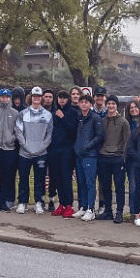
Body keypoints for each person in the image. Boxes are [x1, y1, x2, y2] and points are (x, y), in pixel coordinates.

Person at [14, 87, 53, 214]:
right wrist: (26, 146)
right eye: (34, 96)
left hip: (41, 153)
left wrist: (41, 147)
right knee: (23, 179)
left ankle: (38, 203)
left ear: (41, 98)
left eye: (38, 96)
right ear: (31, 97)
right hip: (24, 153)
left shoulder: (48, 115)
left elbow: (49, 135)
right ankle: (22, 202)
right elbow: (18, 132)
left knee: (39, 180)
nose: (36, 98)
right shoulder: (22, 114)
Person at [72, 93, 104, 221]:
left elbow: (99, 136)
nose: (84, 104)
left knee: (90, 183)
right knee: (81, 182)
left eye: (86, 102)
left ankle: (91, 209)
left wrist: (88, 146)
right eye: (82, 102)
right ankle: (83, 207)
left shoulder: (95, 118)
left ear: (91, 104)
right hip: (79, 155)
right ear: (79, 104)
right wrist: (76, 147)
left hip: (90, 155)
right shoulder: (78, 117)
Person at [47, 90, 78, 218]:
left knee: (66, 178)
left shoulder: (73, 112)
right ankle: (61, 204)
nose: (62, 99)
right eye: (60, 97)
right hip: (54, 149)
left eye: (64, 97)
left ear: (68, 99)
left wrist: (63, 117)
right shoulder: (53, 112)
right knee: (57, 178)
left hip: (67, 149)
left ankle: (69, 205)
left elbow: (73, 131)